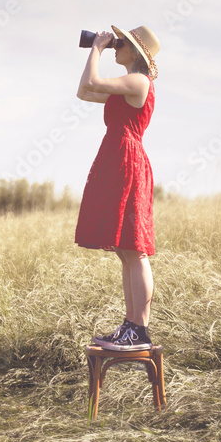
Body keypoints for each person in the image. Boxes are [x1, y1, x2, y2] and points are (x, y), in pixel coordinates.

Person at [74, 25, 160, 351]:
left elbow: (93, 81)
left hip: (128, 161)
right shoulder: (126, 86)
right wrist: (97, 50)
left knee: (135, 250)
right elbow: (84, 90)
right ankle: (130, 325)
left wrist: (96, 47)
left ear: (136, 53)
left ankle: (140, 329)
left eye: (120, 43)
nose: (115, 46)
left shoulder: (139, 82)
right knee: (125, 250)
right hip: (116, 158)